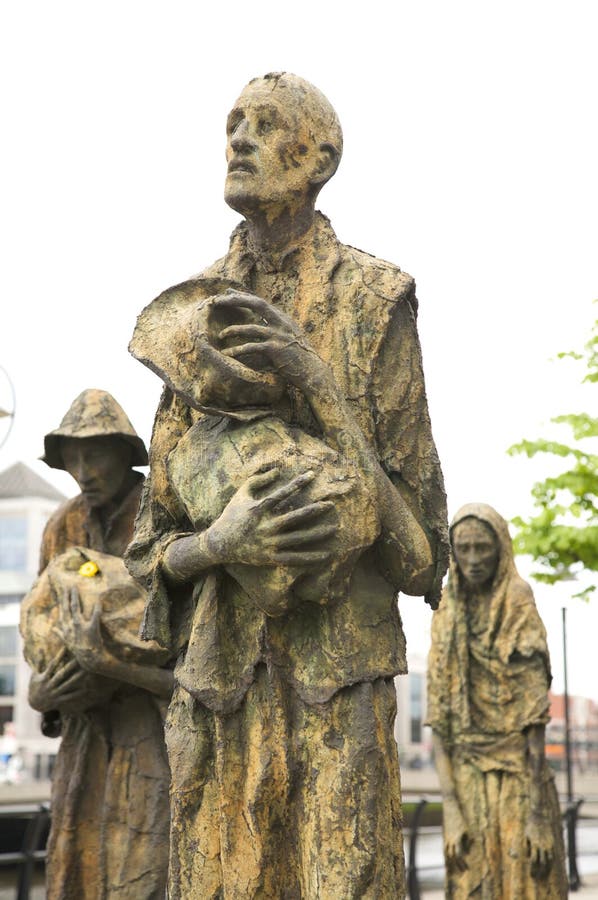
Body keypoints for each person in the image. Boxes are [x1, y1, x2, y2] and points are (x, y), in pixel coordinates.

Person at [126, 72, 448, 899]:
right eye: (232, 123)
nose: (238, 138)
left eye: (265, 126)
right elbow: (146, 551)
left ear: (320, 158)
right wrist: (217, 545)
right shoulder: (189, 314)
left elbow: (423, 560)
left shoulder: (376, 301)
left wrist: (321, 391)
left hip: (338, 686)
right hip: (218, 690)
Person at [20, 389, 171, 900]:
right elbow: (40, 622)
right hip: (82, 737)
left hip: (148, 727)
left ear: (124, 451)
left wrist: (109, 660)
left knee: (144, 872)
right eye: (72, 457)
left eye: (95, 453)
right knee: (75, 873)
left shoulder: (162, 512)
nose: (83, 469)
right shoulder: (62, 524)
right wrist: (42, 696)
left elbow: (188, 654)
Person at [427, 503, 567, 899]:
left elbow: (533, 718)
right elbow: (439, 719)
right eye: (463, 548)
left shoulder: (517, 600)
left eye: (482, 548)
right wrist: (450, 810)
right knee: (474, 883)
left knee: (528, 883)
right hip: (467, 777)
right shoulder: (446, 609)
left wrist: (538, 816)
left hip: (522, 779)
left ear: (501, 548)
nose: (472, 560)